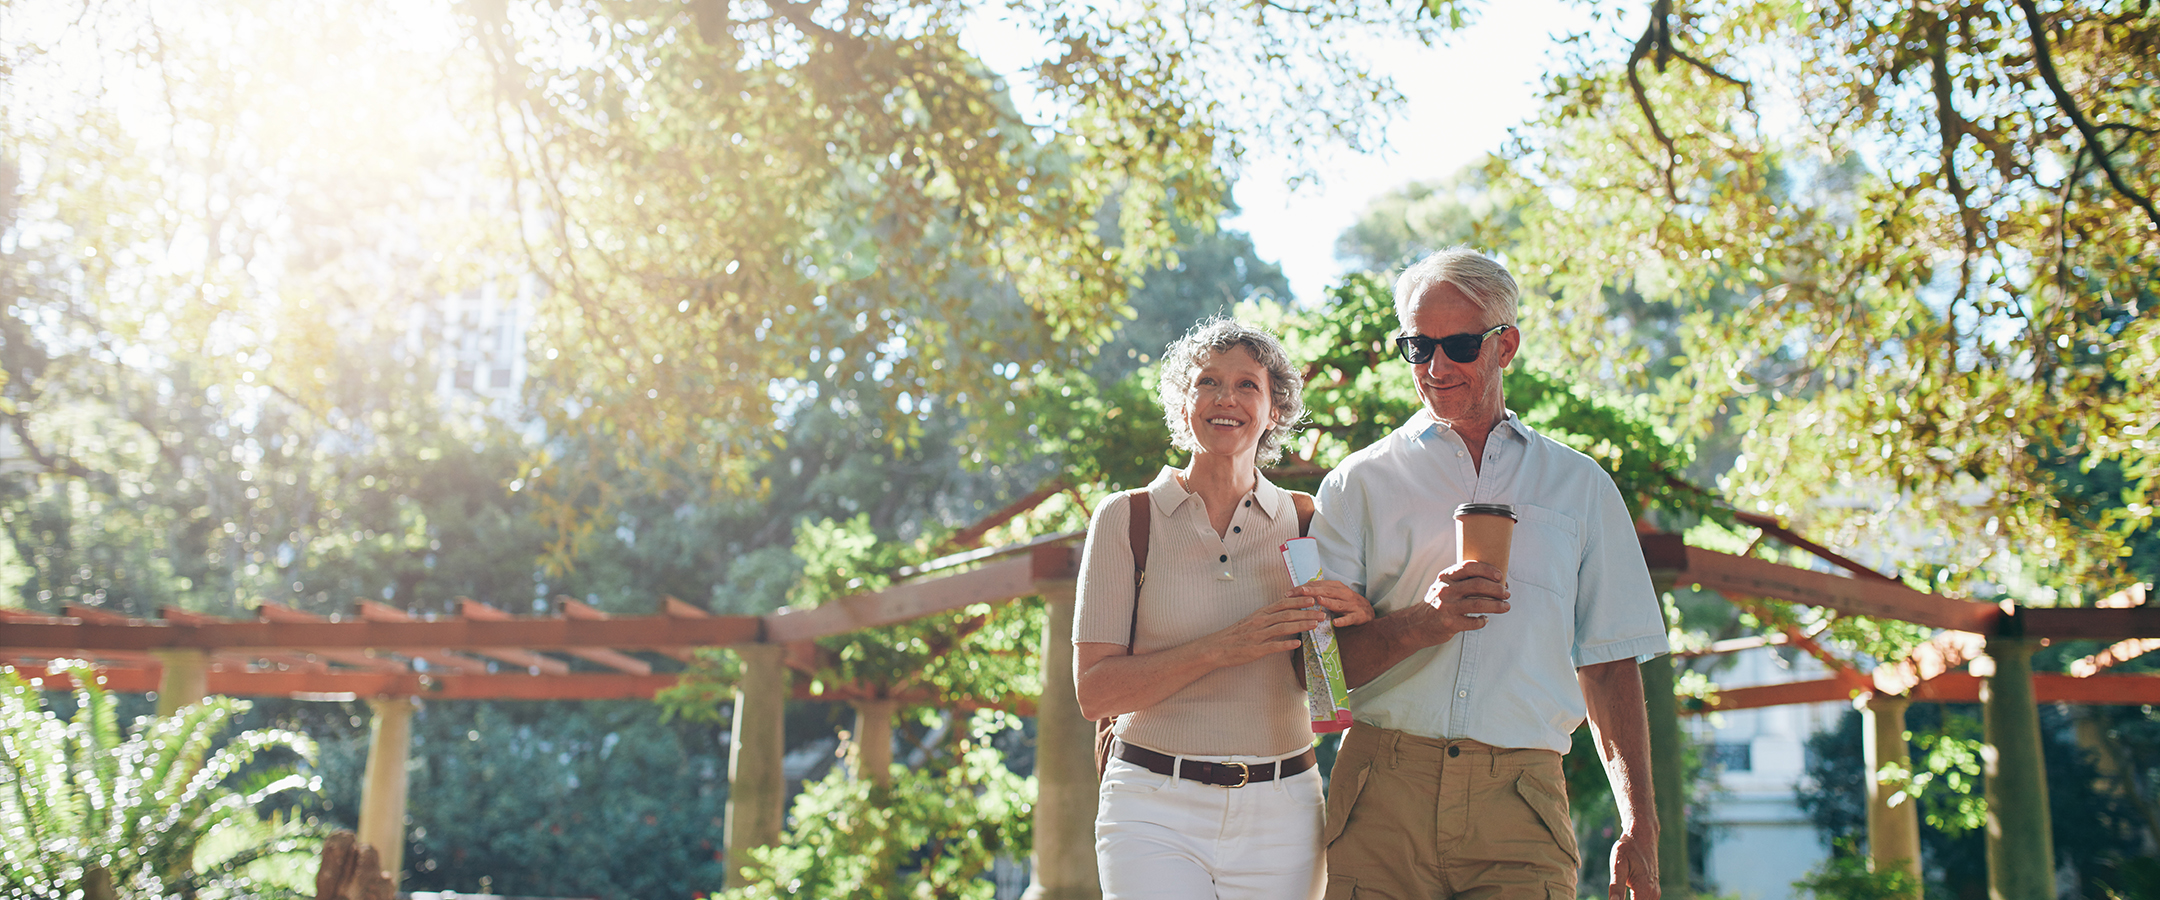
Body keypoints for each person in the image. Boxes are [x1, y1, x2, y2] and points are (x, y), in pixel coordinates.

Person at [1298, 248, 1670, 900]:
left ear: (1506, 346)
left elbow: (1610, 665)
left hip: (1522, 804)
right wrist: (1423, 623)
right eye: (1418, 347)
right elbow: (1321, 676)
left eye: (1460, 345)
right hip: (1382, 798)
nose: (1436, 367)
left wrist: (1640, 823)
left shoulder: (1580, 486)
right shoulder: (1358, 483)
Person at [1072, 317, 1375, 900]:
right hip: (1151, 807)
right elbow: (1095, 694)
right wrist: (1223, 648)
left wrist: (1359, 618)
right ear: (1183, 402)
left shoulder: (1308, 520)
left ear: (1275, 409)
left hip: (1284, 809)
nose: (1225, 399)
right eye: (1207, 382)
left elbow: (1326, 679)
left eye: (1247, 385)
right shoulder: (1127, 518)